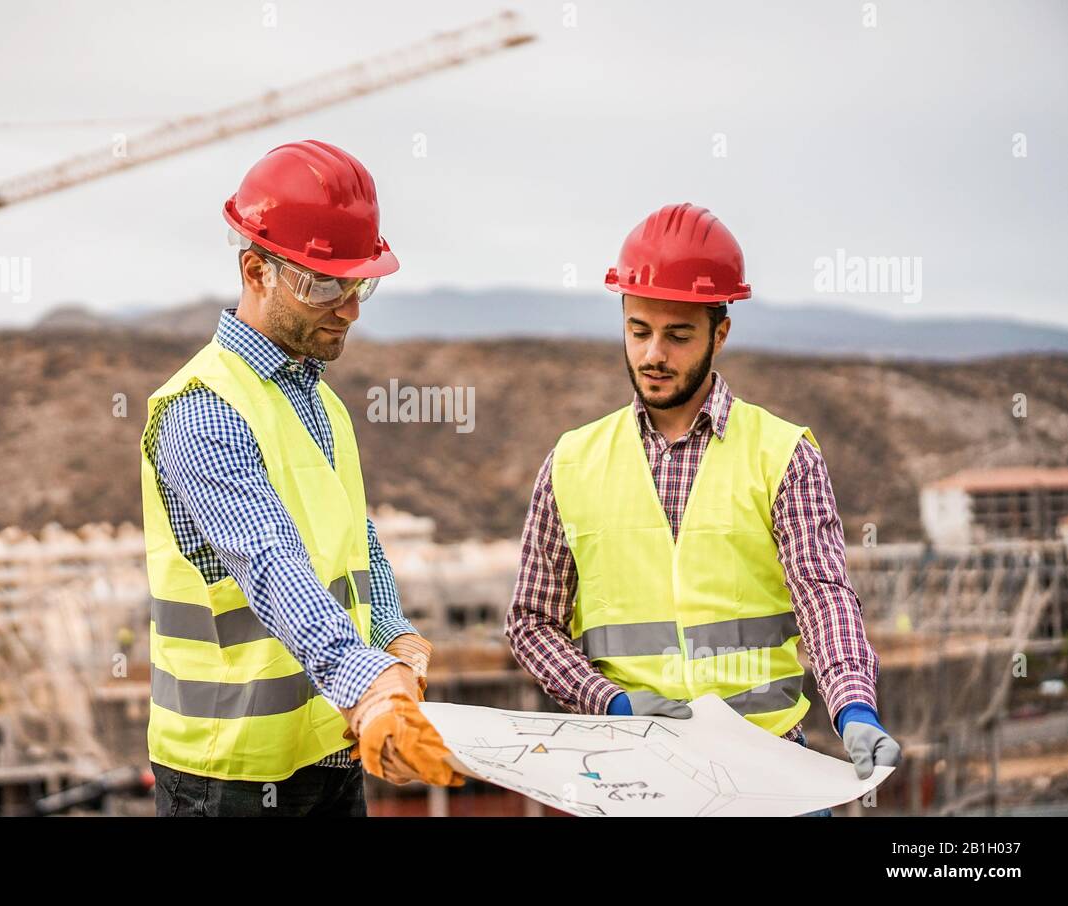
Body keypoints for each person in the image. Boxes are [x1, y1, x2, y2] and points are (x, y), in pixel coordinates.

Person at [504, 203, 902, 814]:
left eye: (678, 334)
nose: (654, 354)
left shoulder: (782, 454)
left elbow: (823, 595)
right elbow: (532, 622)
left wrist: (854, 708)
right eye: (639, 331)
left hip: (768, 781)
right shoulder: (571, 461)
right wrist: (605, 699)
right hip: (632, 782)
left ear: (721, 332)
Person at [141, 140, 461, 816]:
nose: (349, 307)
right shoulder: (203, 410)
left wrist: (394, 638)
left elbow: (354, 542)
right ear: (256, 271)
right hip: (226, 781)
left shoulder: (322, 404)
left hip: (329, 756)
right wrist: (369, 686)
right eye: (324, 283)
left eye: (360, 282)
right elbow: (269, 562)